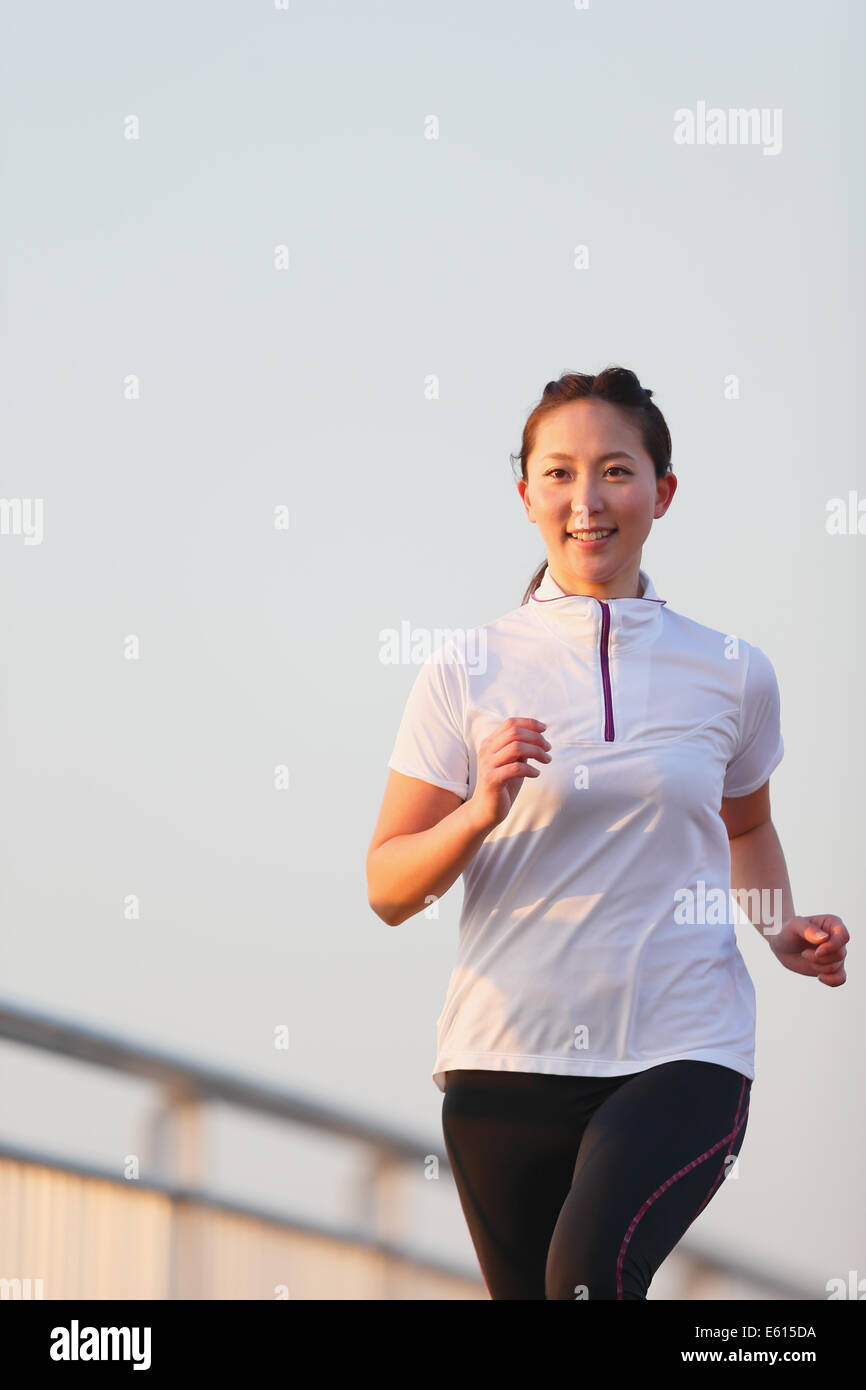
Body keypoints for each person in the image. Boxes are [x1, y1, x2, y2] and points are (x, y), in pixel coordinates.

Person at [366, 365, 849, 1301]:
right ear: (525, 495)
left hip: (682, 1046)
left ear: (662, 493)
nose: (587, 500)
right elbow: (388, 887)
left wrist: (781, 929)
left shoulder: (732, 671)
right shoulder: (466, 668)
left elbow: (746, 826)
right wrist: (477, 813)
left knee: (588, 1275)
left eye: (616, 471)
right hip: (505, 1060)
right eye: (558, 474)